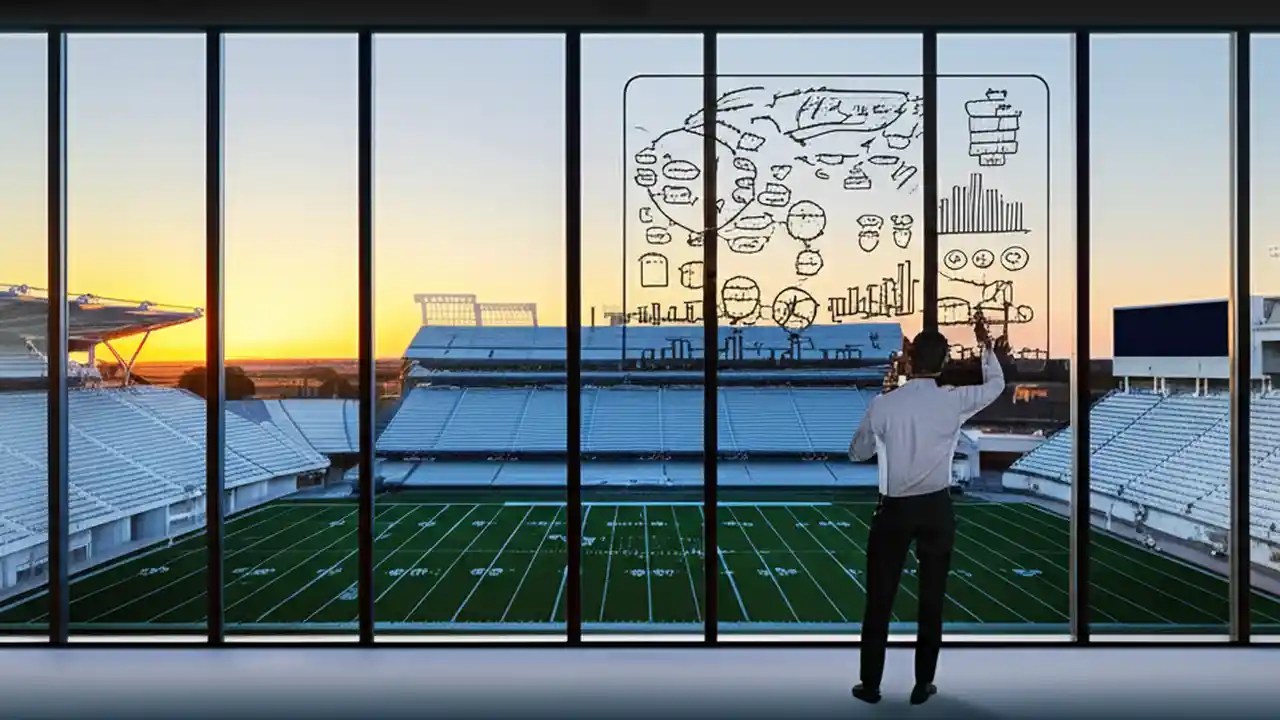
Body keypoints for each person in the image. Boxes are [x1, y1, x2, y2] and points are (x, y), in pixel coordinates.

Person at [848, 319, 1005, 706]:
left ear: (910, 358)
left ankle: (871, 685)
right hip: (936, 506)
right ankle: (923, 684)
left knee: (879, 602)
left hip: (894, 509)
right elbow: (996, 385)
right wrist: (986, 348)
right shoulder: (952, 400)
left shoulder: (884, 404)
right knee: (932, 600)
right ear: (945, 360)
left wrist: (881, 417)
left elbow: (857, 453)